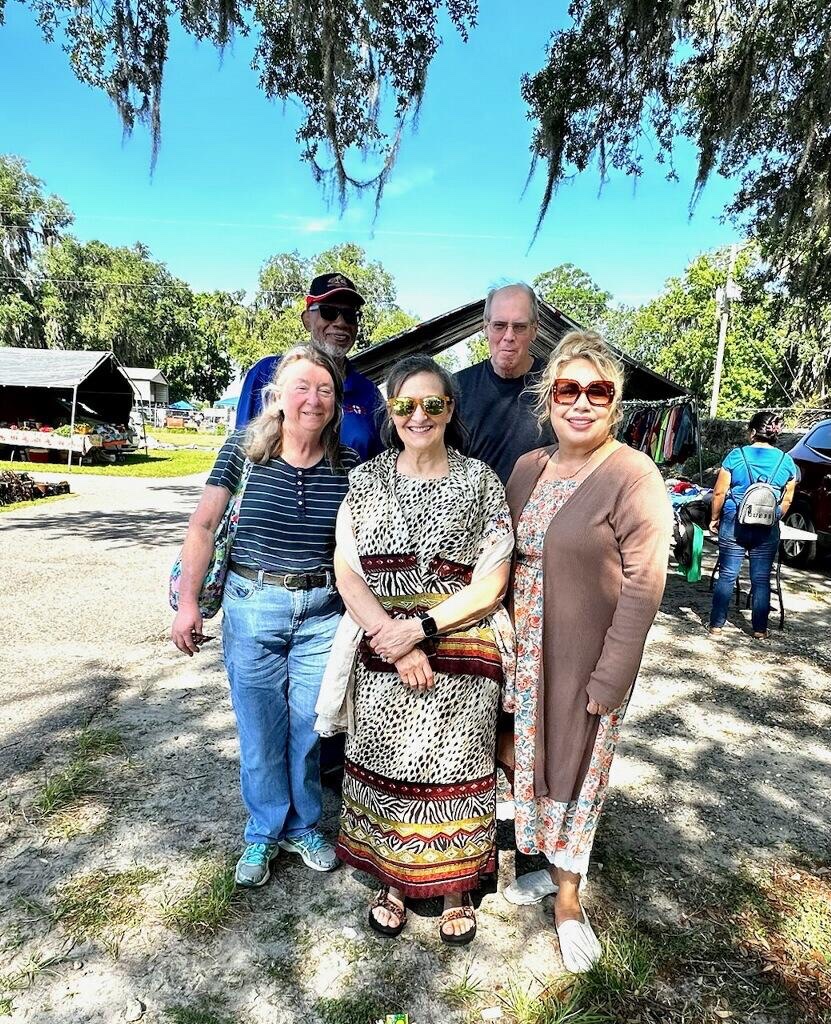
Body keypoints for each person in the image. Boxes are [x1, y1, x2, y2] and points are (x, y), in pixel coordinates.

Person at [330, 355, 515, 945]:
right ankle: (392, 881)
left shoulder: (480, 481)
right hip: (382, 634)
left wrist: (424, 628)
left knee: (457, 763)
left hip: (461, 637)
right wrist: (394, 634)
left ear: (450, 410)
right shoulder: (366, 480)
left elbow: (493, 578)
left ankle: (457, 887)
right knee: (388, 760)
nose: (419, 416)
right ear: (390, 411)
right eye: (405, 405)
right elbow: (347, 570)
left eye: (432, 404)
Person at [501, 331, 670, 973]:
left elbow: (644, 584)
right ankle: (539, 868)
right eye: (568, 390)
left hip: (582, 659)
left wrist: (613, 673)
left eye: (597, 392)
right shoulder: (527, 468)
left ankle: (568, 902)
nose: (581, 404)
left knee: (578, 770)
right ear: (549, 399)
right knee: (524, 757)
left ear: (615, 403)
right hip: (520, 652)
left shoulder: (632, 474)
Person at [171, 345, 358, 887]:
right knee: (259, 732)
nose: (313, 399)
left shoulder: (346, 467)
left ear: (336, 404)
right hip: (254, 608)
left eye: (324, 390)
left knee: (307, 732)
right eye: (301, 386)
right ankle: (261, 833)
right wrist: (187, 604)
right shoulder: (243, 452)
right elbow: (203, 527)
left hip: (323, 613)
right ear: (278, 396)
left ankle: (302, 827)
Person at [235, 272, 384, 462]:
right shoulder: (266, 373)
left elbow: (381, 465)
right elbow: (239, 450)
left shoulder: (369, 393)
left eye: (350, 315)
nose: (340, 323)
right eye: (328, 312)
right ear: (307, 319)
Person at [454, 282, 555, 484]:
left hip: (539, 511)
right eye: (499, 326)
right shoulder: (457, 388)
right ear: (485, 328)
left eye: (519, 327)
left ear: (534, 330)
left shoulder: (557, 386)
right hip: (477, 510)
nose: (509, 337)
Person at [708, 412, 797, 639]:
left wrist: (714, 518)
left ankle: (716, 626)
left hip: (733, 520)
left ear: (752, 431)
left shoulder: (736, 456)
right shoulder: (786, 461)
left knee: (727, 574)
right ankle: (759, 629)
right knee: (760, 578)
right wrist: (775, 515)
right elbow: (787, 499)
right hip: (767, 526)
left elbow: (719, 492)